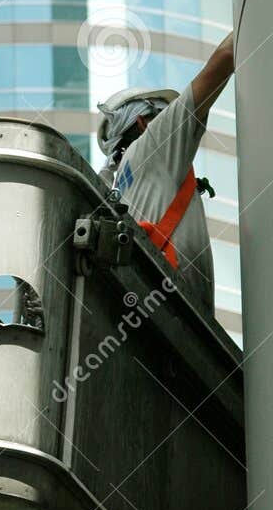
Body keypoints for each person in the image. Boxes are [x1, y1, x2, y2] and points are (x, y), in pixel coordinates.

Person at [96, 33, 234, 316]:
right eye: (162, 113)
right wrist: (250, 19)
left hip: (149, 317)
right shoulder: (153, 145)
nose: (168, 118)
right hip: (176, 312)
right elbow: (223, 58)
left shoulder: (117, 187)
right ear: (143, 122)